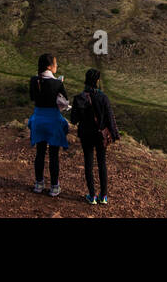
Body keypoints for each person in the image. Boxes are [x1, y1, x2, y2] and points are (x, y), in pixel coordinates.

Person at [70, 68, 120, 205]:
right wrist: (115, 135)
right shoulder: (103, 97)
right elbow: (110, 117)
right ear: (97, 81)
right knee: (102, 163)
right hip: (100, 135)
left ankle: (92, 196)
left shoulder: (79, 98)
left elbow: (74, 120)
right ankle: (103, 196)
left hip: (86, 135)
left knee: (88, 163)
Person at [28, 53, 70, 197]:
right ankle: (54, 187)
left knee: (40, 153)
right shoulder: (57, 83)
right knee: (53, 155)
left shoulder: (34, 80)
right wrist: (60, 83)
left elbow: (33, 97)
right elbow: (66, 100)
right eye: (55, 63)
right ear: (49, 66)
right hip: (52, 120)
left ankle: (39, 184)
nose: (56, 66)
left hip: (39, 119)